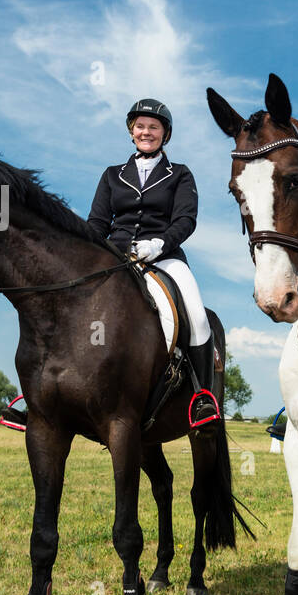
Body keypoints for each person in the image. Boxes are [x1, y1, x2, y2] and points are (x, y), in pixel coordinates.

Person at [89, 98, 220, 430]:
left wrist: (160, 243)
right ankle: (38, 394)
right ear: (131, 131)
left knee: (197, 314)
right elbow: (96, 223)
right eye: (140, 126)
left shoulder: (180, 174)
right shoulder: (112, 175)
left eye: (154, 127)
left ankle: (202, 398)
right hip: (115, 255)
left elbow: (186, 220)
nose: (146, 132)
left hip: (165, 256)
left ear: (165, 134)